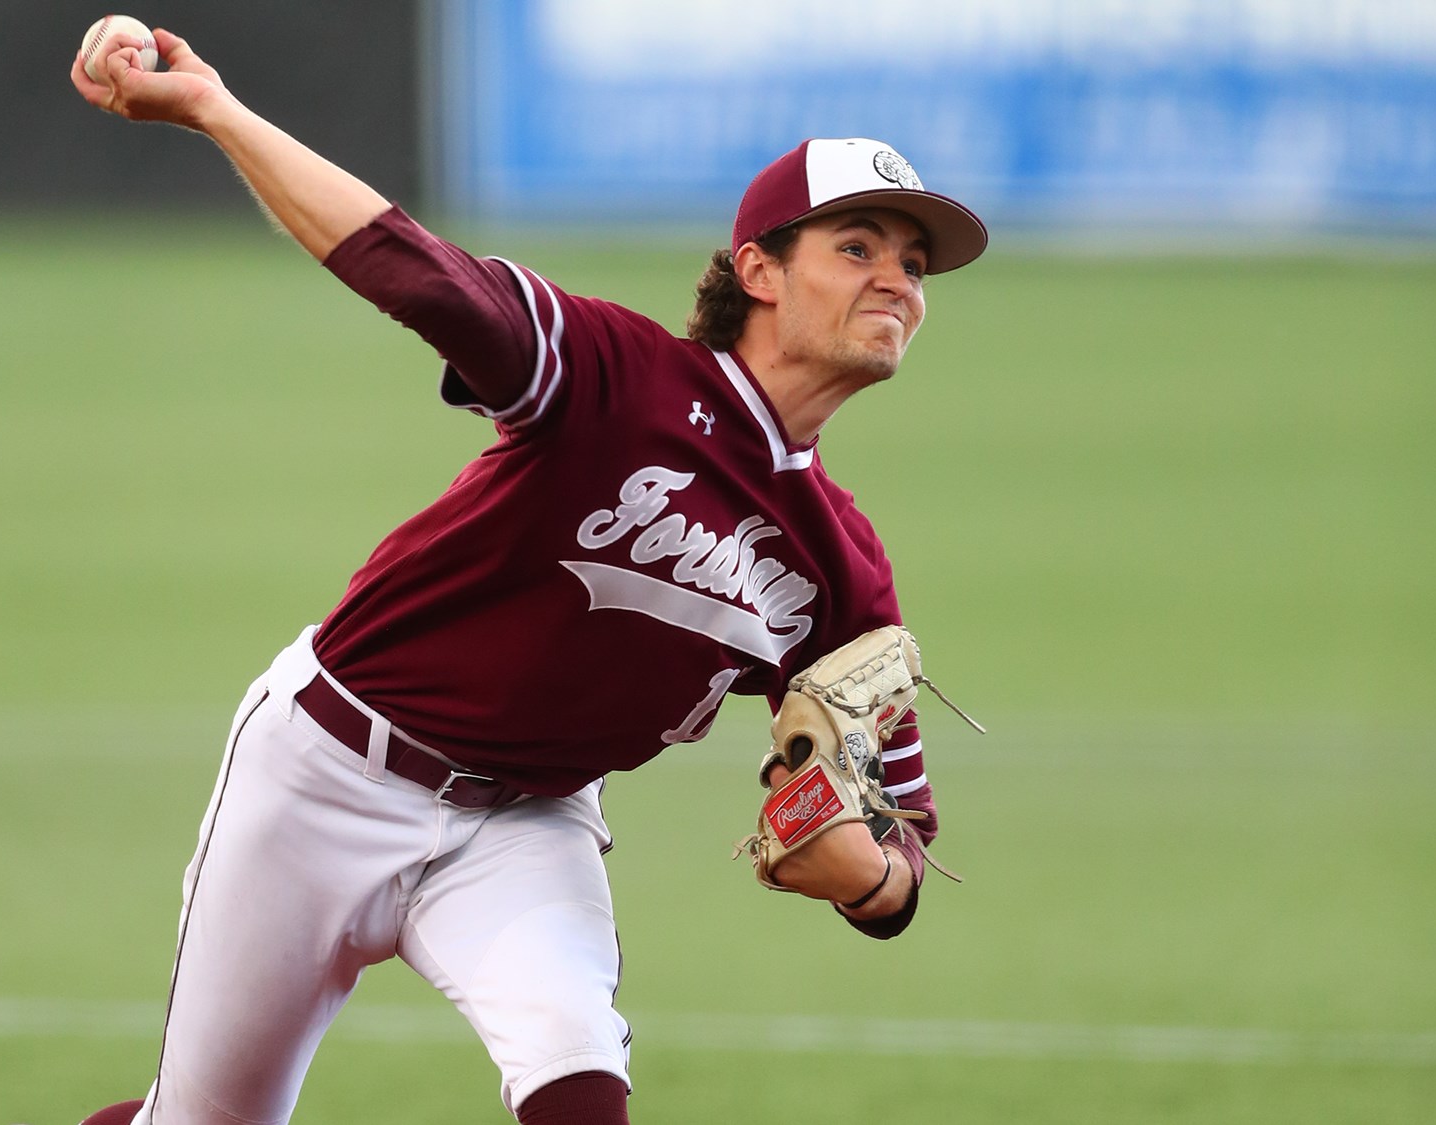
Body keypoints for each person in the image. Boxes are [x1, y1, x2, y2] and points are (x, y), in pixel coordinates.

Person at [66, 21, 987, 1125]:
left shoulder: (839, 568)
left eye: (914, 265)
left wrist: (868, 874)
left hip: (524, 829)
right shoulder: (612, 373)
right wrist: (215, 110)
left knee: (576, 1077)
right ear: (757, 270)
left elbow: (906, 847)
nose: (897, 280)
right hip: (322, 778)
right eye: (858, 248)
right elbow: (418, 274)